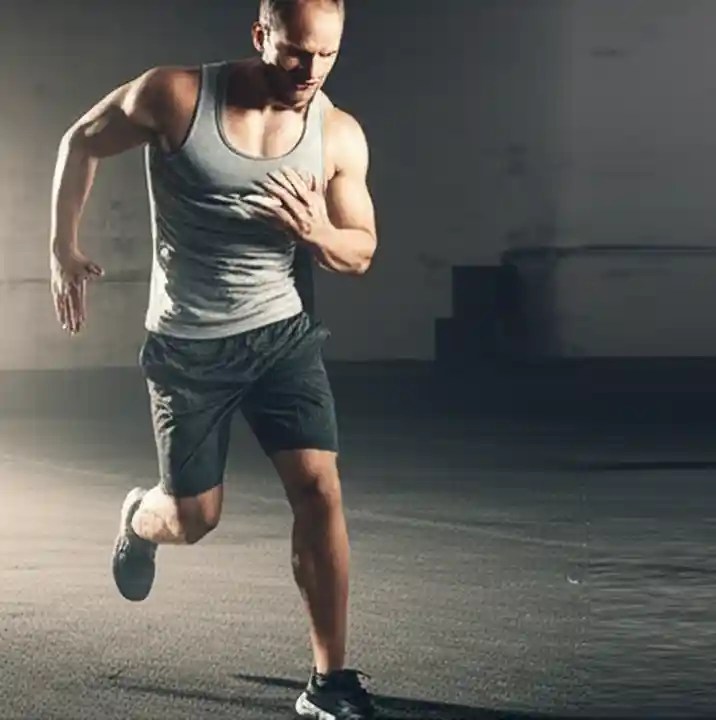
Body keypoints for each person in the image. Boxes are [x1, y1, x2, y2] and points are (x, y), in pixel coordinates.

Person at [48, 1, 378, 717]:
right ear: (261, 37)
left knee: (320, 490)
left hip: (281, 339)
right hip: (189, 347)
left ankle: (329, 683)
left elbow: (363, 249)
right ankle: (141, 516)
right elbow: (80, 140)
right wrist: (62, 247)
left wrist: (319, 230)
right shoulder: (175, 98)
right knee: (195, 518)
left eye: (326, 55)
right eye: (295, 53)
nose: (310, 71)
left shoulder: (337, 135)